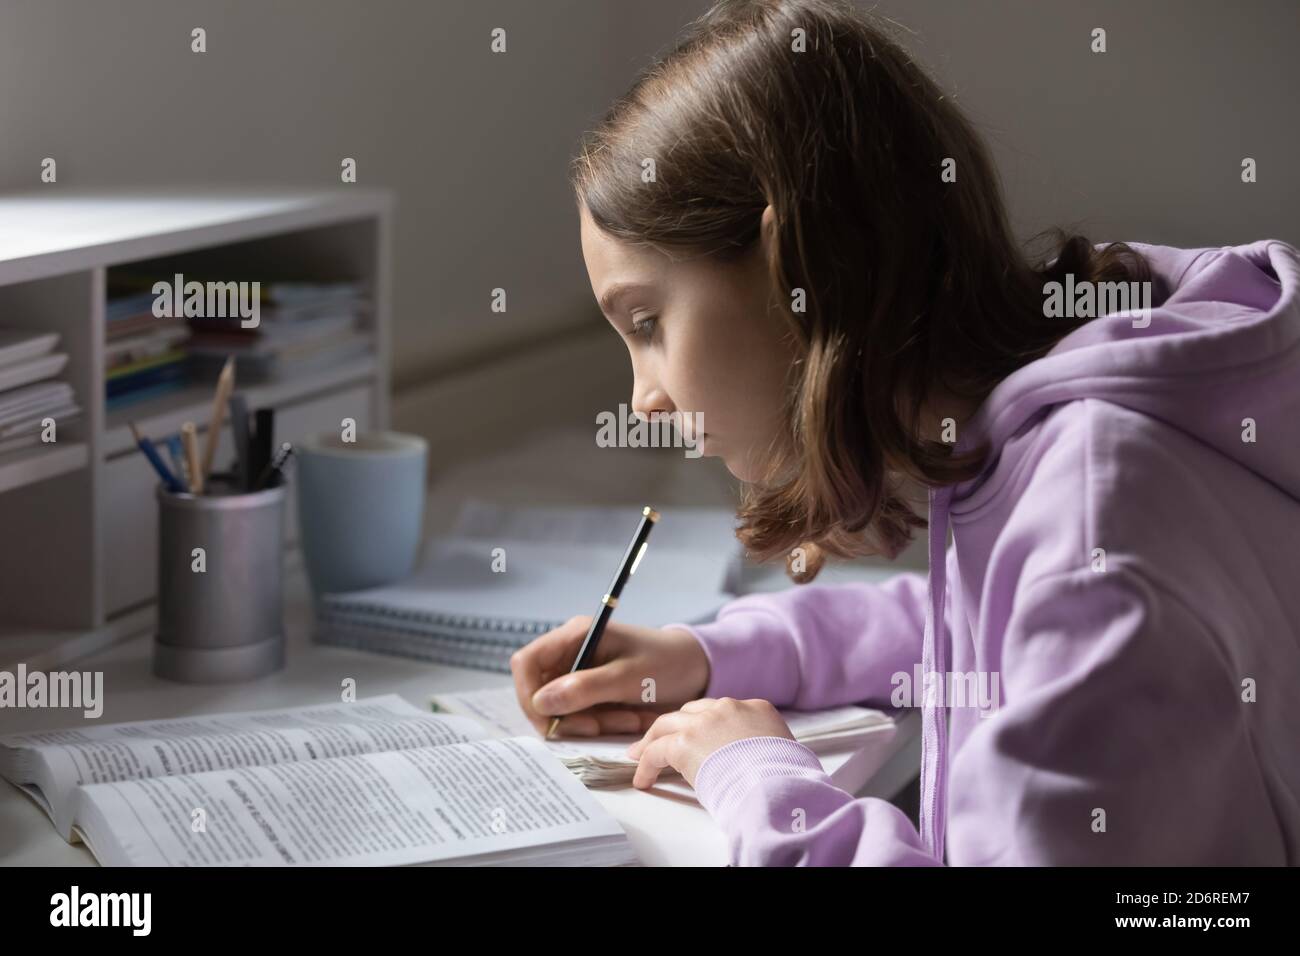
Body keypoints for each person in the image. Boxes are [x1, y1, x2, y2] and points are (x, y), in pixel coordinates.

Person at [510, 0, 1300, 865]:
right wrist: (712, 654)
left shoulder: (1092, 533)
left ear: (798, 267)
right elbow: (971, 622)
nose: (642, 400)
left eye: (647, 322)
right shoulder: (1059, 442)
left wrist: (761, 782)